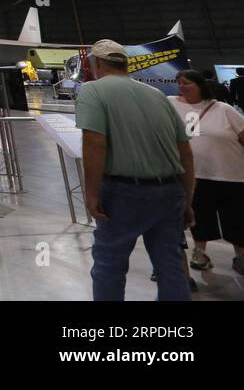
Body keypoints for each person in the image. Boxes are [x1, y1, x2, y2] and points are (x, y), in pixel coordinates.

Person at [75, 39, 194, 300]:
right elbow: (185, 151)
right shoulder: (156, 95)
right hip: (169, 192)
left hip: (123, 194)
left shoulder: (92, 91)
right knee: (171, 266)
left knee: (110, 266)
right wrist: (187, 200)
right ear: (126, 63)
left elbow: (95, 143)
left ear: (96, 64)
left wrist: (92, 194)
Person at [169, 69, 244, 276]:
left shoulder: (223, 109)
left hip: (231, 175)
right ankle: (200, 254)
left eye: (187, 83)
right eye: (180, 83)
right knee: (200, 218)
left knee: (236, 218)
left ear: (200, 85)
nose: (182, 87)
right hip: (197, 176)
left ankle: (241, 256)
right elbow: (191, 136)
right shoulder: (173, 104)